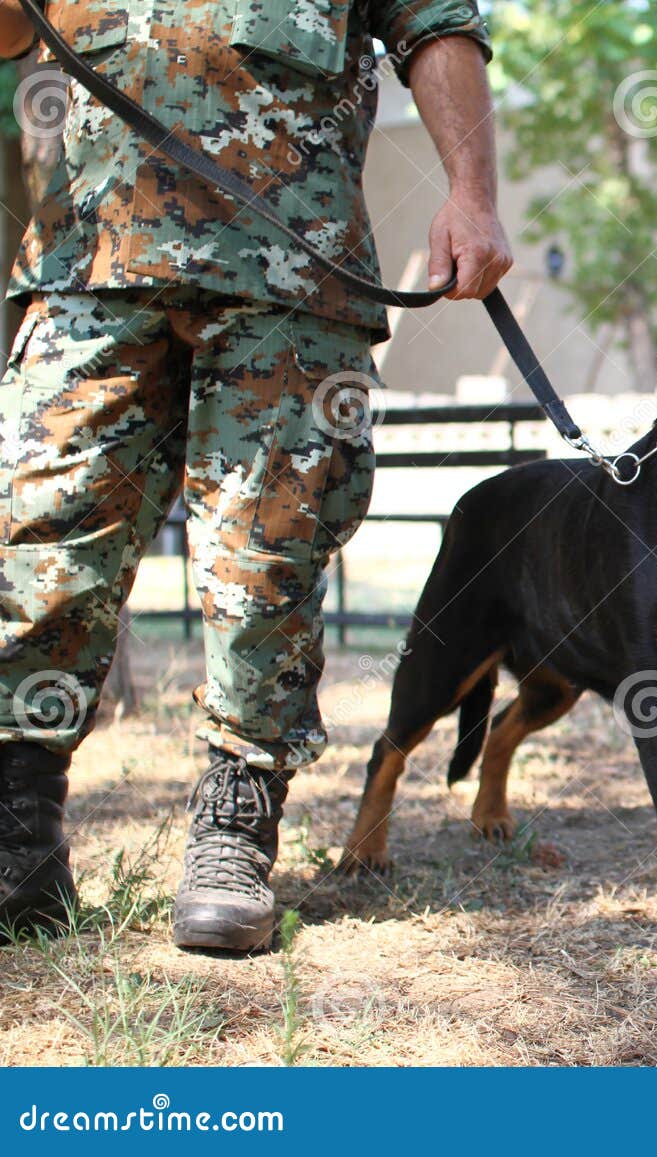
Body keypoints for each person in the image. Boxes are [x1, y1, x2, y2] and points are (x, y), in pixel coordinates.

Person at [0, 0, 512, 952]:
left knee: (269, 553)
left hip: (293, 261)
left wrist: (471, 194)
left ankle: (235, 826)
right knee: (42, 527)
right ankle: (16, 825)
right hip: (88, 257)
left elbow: (434, 21)